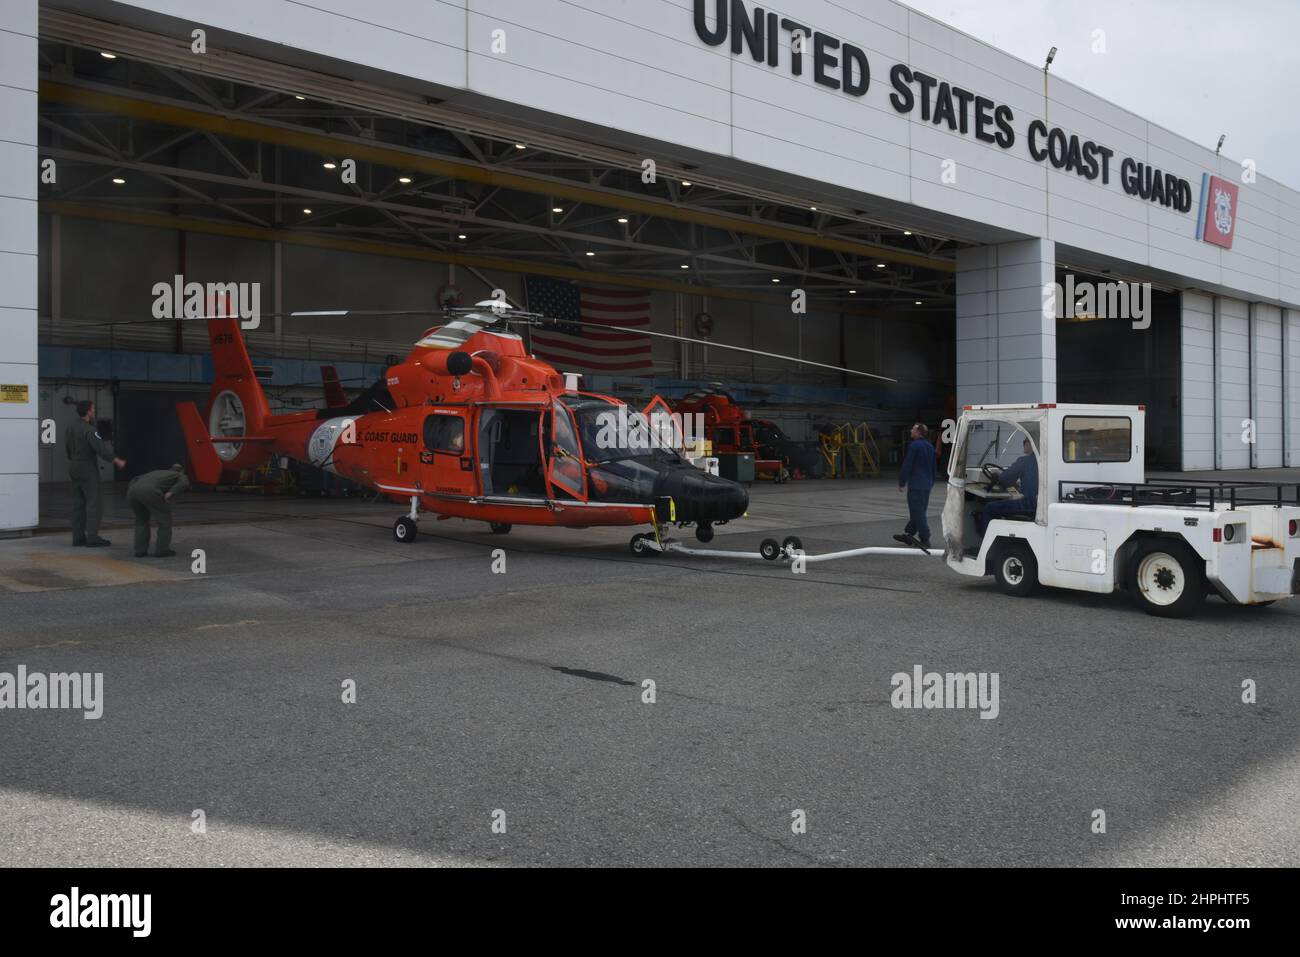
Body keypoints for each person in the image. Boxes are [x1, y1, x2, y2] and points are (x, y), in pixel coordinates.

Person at [66, 400, 125, 547]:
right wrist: (116, 460)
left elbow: (67, 447)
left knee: (78, 503)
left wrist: (74, 459)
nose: (94, 411)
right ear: (88, 412)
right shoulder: (90, 430)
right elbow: (101, 450)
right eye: (93, 409)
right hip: (87, 468)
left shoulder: (71, 427)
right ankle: (92, 537)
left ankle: (78, 538)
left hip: (73, 466)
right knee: (94, 503)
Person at [126, 464, 190, 557]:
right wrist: (171, 492)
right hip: (149, 491)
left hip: (132, 491)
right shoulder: (179, 475)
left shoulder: (156, 472)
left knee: (141, 521)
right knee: (164, 521)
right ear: (181, 471)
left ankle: (140, 551)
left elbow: (135, 479)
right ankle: (162, 550)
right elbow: (184, 483)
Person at [977, 436, 1039, 533]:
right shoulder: (1043, 461)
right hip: (1037, 506)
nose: (1023, 444)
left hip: (1026, 505)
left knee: (989, 508)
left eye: (1024, 441)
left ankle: (984, 540)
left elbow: (1004, 479)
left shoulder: (1024, 461)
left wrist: (997, 477)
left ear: (1031, 443)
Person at [895, 422, 937, 549]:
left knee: (918, 512)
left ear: (918, 432)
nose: (910, 431)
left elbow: (907, 465)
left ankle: (925, 538)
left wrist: (902, 482)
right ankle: (909, 534)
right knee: (918, 511)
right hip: (927, 485)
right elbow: (934, 467)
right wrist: (931, 482)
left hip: (916, 485)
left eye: (912, 429)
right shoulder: (930, 447)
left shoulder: (914, 446)